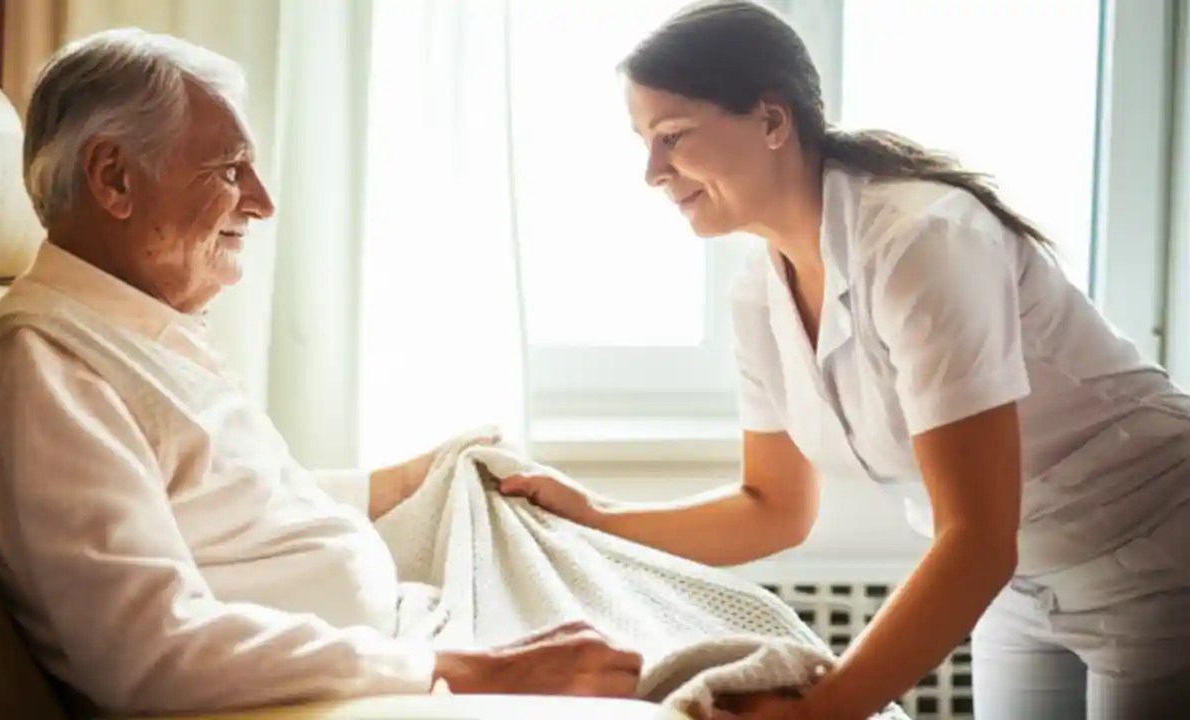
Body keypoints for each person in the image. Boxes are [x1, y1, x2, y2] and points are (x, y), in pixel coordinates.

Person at [497, 2, 1190, 718]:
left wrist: (818, 711)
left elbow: (977, 538)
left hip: (1156, 549)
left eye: (672, 136)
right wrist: (594, 517)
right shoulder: (759, 293)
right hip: (1020, 580)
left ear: (772, 121)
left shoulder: (921, 239)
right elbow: (772, 509)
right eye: (645, 142)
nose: (652, 172)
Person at [0, 29, 641, 716]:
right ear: (114, 177)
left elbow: (226, 506)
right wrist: (473, 673)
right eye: (230, 169)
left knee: (638, 603)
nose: (261, 202)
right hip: (384, 677)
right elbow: (148, 648)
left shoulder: (138, 328)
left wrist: (402, 481)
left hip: (411, 628)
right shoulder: (41, 363)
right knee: (673, 669)